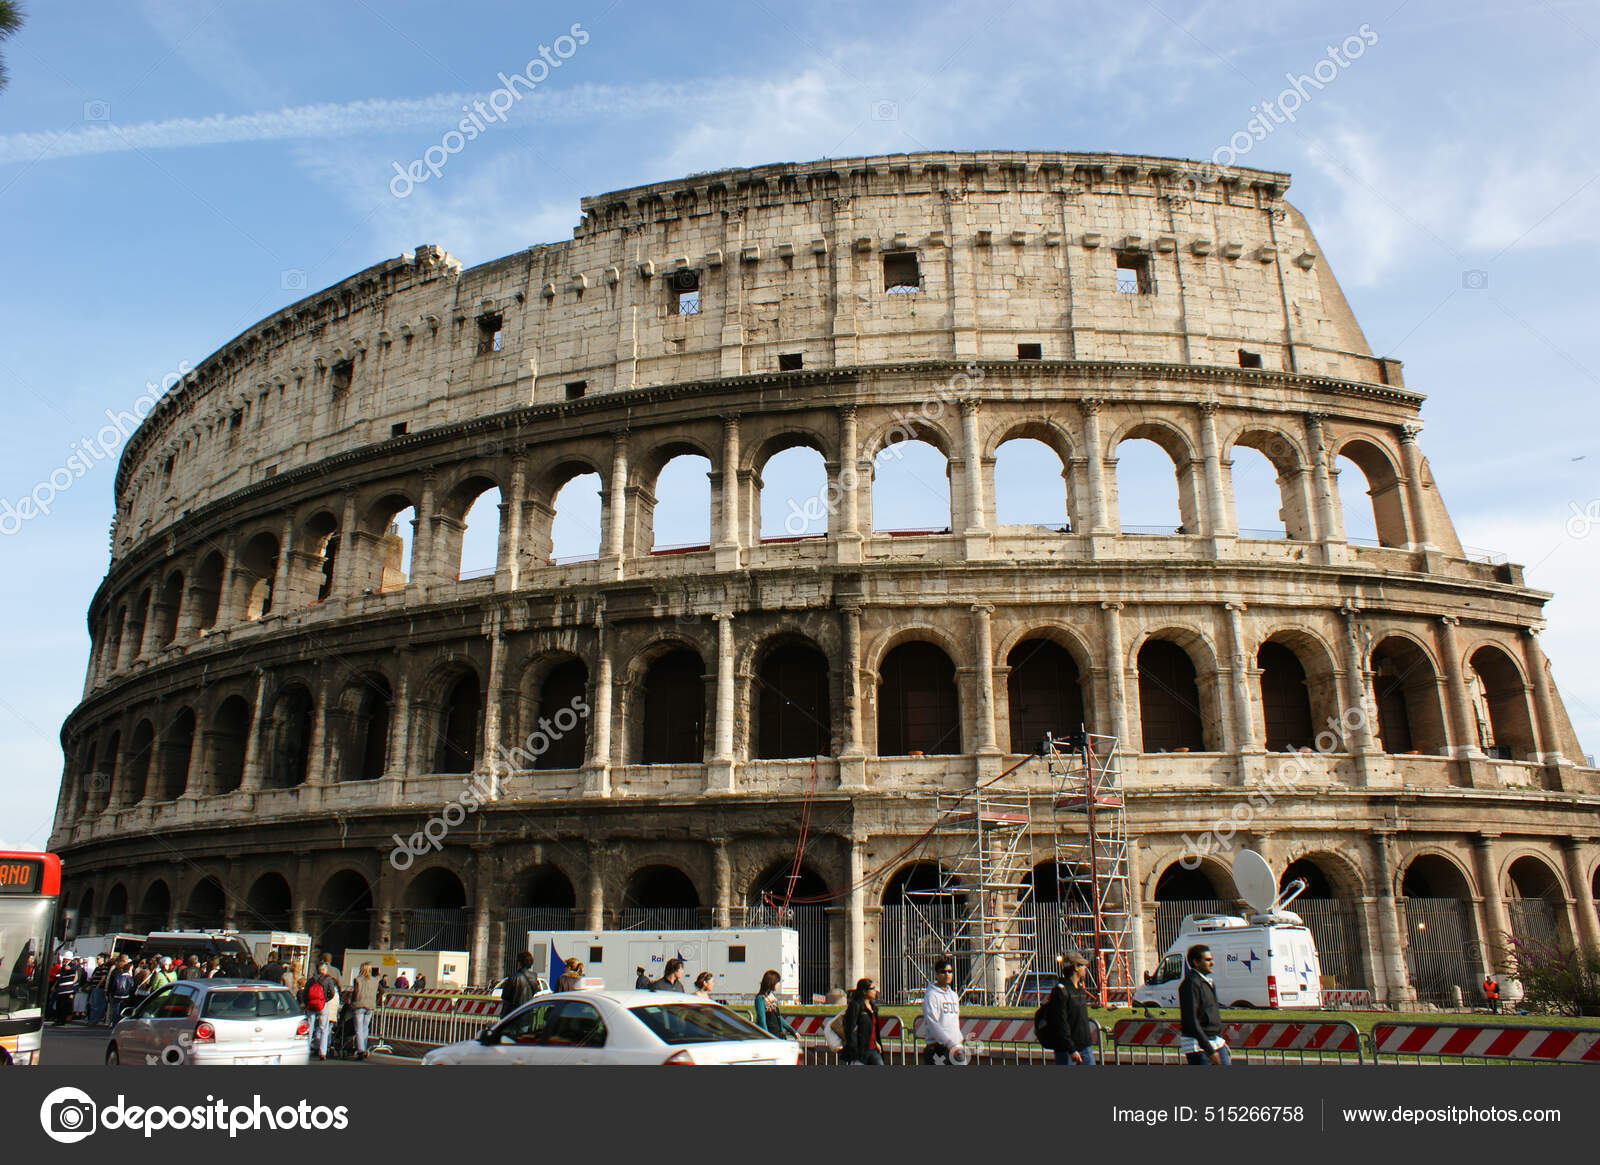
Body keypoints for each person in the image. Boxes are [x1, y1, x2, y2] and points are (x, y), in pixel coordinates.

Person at [1178, 944, 1229, 1065]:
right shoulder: (1191, 984)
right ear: (1196, 962)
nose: (1212, 962)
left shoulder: (1207, 982)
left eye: (1211, 959)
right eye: (1208, 960)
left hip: (1215, 1041)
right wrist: (1210, 1051)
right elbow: (1191, 1020)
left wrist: (1220, 1042)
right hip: (1199, 1046)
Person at [1043, 952, 1096, 1065]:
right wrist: (1071, 1049)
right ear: (1076, 967)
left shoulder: (1080, 990)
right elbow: (1060, 1022)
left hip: (1085, 1047)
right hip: (1067, 1051)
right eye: (1083, 965)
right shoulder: (1060, 991)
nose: (1085, 969)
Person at [920, 958, 965, 1065]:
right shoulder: (931, 996)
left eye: (950, 971)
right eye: (943, 972)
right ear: (936, 974)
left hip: (955, 1047)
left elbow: (955, 1021)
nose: (947, 974)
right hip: (937, 1047)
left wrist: (958, 1040)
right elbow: (933, 1023)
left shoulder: (954, 995)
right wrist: (949, 1043)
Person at [841, 977, 883, 1065]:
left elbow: (873, 1028)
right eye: (872, 989)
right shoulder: (855, 1006)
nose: (875, 991)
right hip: (860, 1051)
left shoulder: (873, 1007)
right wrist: (854, 1051)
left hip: (873, 1049)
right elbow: (850, 1029)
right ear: (864, 991)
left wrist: (876, 1043)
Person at [311, 960, 341, 1060]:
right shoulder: (328, 979)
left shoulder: (312, 979)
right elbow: (332, 993)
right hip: (323, 1005)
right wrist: (325, 1000)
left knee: (311, 1028)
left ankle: (307, 1048)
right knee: (324, 1029)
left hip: (312, 1005)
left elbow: (306, 991)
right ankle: (322, 1052)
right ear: (325, 970)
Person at [501, 951, 542, 1016]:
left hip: (513, 1013)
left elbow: (504, 996)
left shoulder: (513, 977)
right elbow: (535, 991)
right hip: (528, 1011)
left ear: (519, 963)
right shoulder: (534, 977)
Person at [753, 969, 788, 1037]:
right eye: (777, 982)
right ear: (772, 982)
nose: (779, 984)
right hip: (769, 1036)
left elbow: (779, 1017)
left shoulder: (773, 996)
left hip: (777, 1034)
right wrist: (767, 1036)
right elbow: (762, 1020)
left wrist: (793, 1031)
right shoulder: (760, 998)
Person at [346, 964, 370, 1059]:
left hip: (359, 1005)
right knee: (365, 1028)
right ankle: (364, 1046)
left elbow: (355, 991)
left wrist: (353, 1001)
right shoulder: (374, 980)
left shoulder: (357, 979)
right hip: (370, 1006)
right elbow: (381, 991)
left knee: (358, 1029)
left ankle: (361, 1050)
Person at [50, 956, 80, 1025]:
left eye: (64, 959)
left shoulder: (72, 965)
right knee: (59, 1005)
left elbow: (73, 969)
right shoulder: (63, 967)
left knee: (64, 1006)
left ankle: (62, 1020)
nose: (63, 960)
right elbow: (60, 976)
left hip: (67, 990)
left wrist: (69, 968)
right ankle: (58, 1019)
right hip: (61, 989)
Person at [107, 956, 135, 1026]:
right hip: (125, 996)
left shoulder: (118, 976)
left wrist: (111, 993)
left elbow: (113, 985)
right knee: (122, 1010)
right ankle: (120, 1023)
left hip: (116, 995)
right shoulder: (129, 978)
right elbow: (132, 987)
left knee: (115, 1009)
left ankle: (114, 1022)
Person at [87, 953, 110, 1026]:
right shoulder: (98, 968)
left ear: (103, 959)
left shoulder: (104, 967)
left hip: (99, 988)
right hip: (94, 987)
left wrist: (98, 986)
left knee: (96, 1005)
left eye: (98, 959)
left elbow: (103, 978)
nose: (97, 960)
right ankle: (92, 1019)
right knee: (92, 1004)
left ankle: (94, 1020)